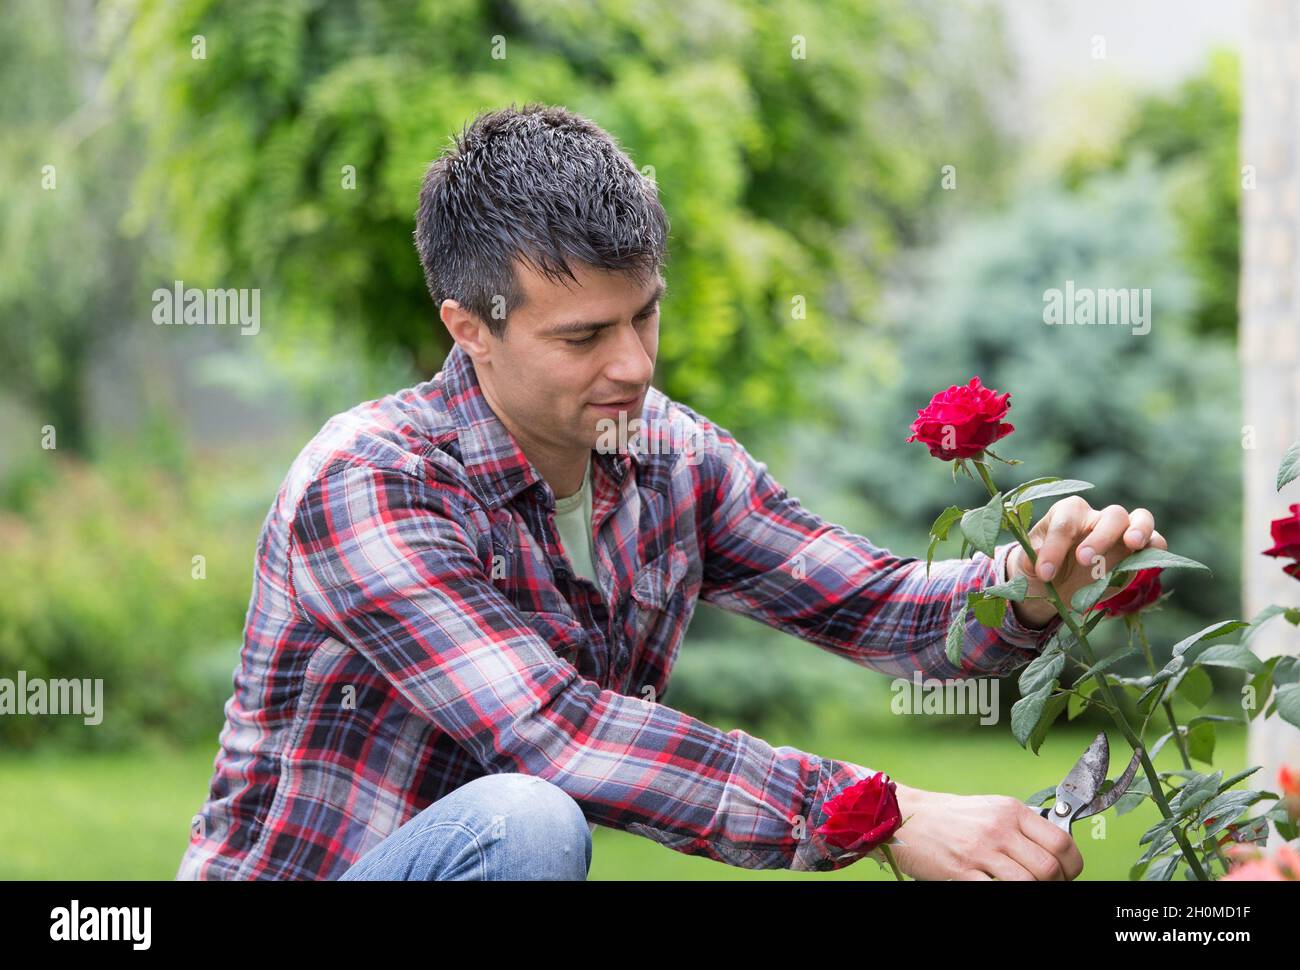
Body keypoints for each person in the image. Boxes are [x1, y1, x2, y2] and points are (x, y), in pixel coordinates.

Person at [178, 103, 1166, 882]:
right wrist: (885, 812)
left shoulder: (667, 458)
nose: (633, 366)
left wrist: (1030, 586)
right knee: (524, 820)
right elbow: (557, 736)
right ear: (469, 327)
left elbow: (873, 603)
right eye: (581, 337)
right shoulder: (370, 483)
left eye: (643, 315)